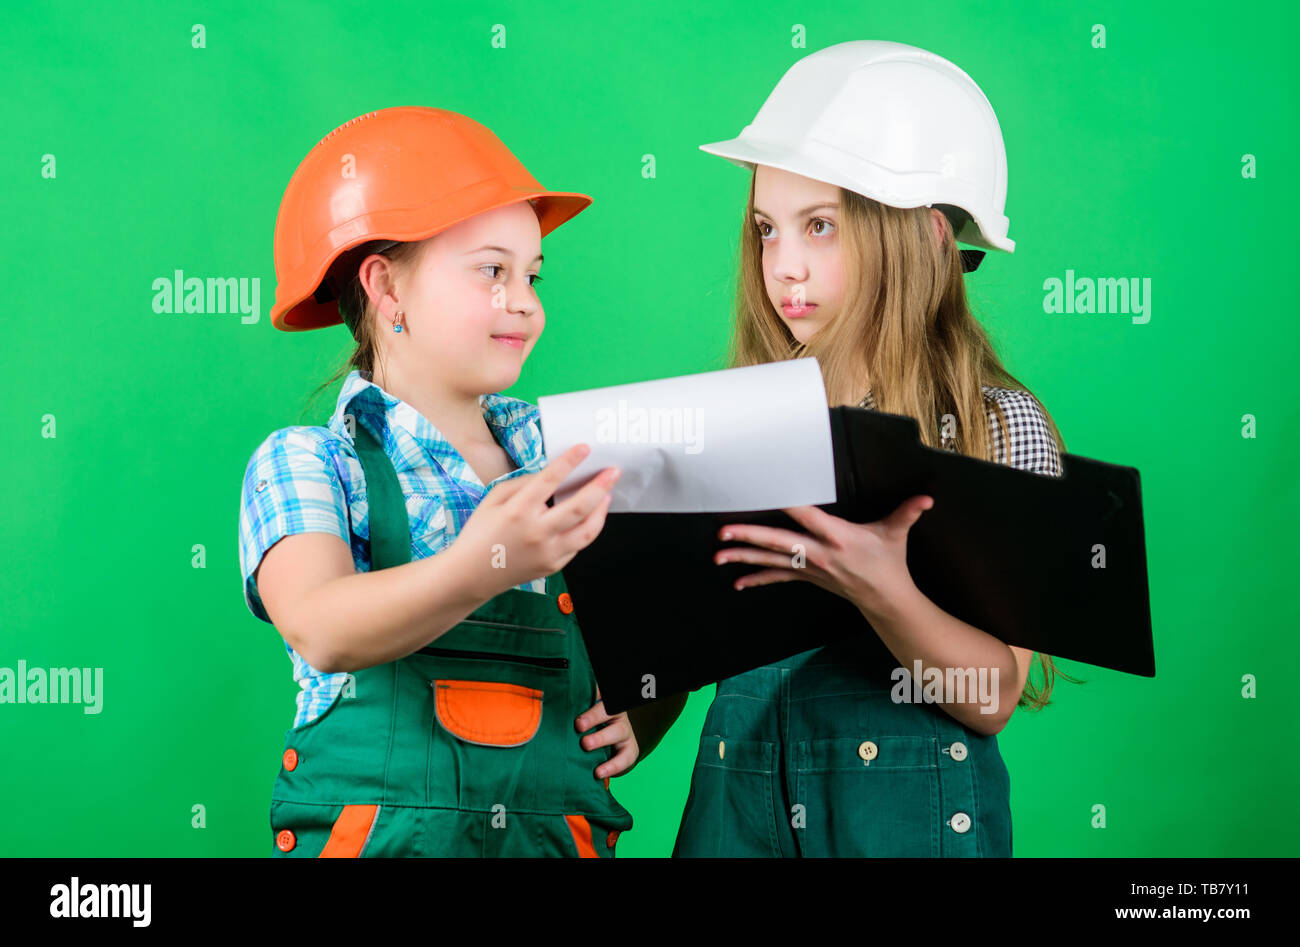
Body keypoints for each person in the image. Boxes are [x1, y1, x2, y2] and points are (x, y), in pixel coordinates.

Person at [634, 40, 1079, 857]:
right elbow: (694, 638)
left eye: (822, 227)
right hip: (736, 817)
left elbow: (993, 695)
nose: (785, 265)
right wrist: (638, 706)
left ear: (926, 237)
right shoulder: (741, 425)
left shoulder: (996, 426)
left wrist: (883, 588)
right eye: (768, 230)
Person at [239, 106, 637, 857]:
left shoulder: (570, 455)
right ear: (387, 289)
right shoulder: (309, 464)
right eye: (493, 270)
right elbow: (321, 625)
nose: (524, 300)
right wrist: (488, 561)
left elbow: (664, 619)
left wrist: (647, 706)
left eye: (532, 275)